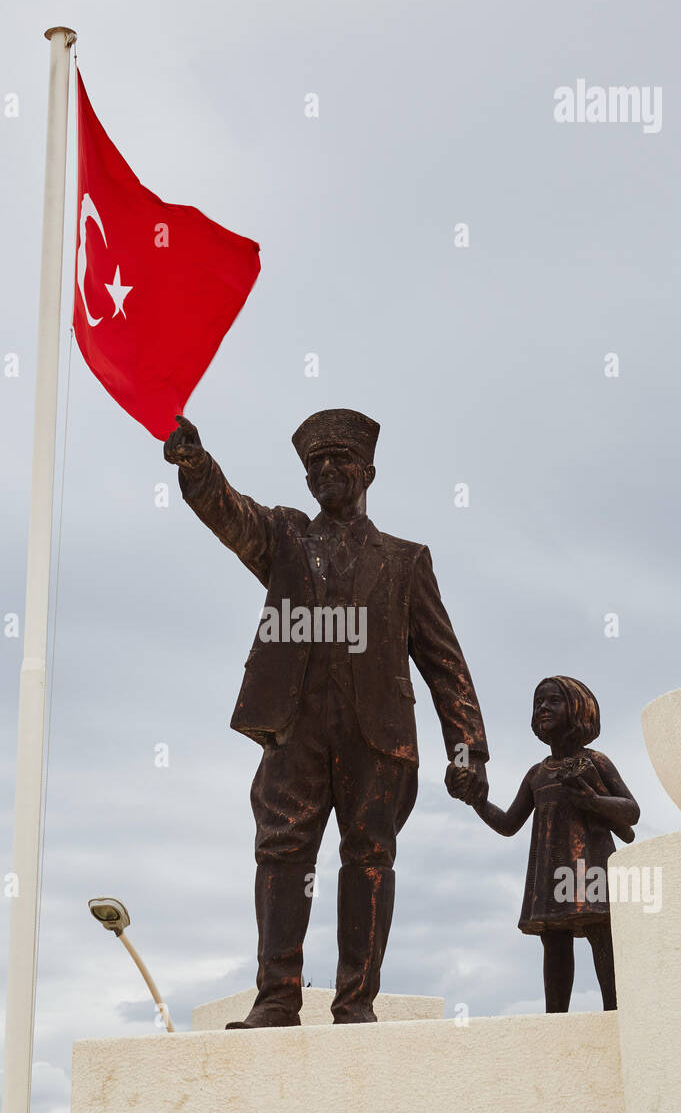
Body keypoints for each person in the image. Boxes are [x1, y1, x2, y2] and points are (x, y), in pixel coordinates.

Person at [164, 408, 488, 1026]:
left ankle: (355, 1001)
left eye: (340, 460)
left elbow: (445, 662)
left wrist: (466, 744)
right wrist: (197, 465)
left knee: (369, 857)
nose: (328, 470)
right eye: (316, 463)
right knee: (282, 851)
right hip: (295, 732)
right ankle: (278, 998)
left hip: (379, 737)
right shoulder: (286, 538)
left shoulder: (405, 560)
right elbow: (232, 515)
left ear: (368, 471)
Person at [468, 676, 639, 1012]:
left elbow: (631, 812)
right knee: (554, 944)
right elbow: (508, 823)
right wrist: (476, 801)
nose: (543, 708)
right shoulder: (537, 774)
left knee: (602, 939)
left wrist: (592, 799)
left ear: (576, 709)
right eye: (538, 703)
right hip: (551, 875)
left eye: (552, 701)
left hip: (591, 871)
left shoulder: (595, 762)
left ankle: (617, 1015)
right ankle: (555, 1020)